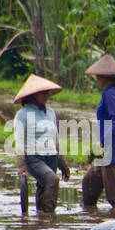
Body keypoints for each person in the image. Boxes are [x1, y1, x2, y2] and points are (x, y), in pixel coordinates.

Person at [82, 54, 115, 210]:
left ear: (107, 77)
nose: (96, 78)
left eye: (99, 75)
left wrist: (101, 141)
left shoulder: (111, 94)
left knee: (114, 194)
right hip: (113, 146)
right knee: (89, 181)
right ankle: (89, 215)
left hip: (112, 147)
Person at [12, 74, 69, 214]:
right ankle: (49, 216)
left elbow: (55, 139)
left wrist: (63, 163)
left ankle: (41, 220)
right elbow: (19, 141)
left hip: (51, 156)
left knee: (43, 187)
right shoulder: (22, 114)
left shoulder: (50, 112)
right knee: (52, 180)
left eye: (47, 92)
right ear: (33, 95)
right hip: (34, 158)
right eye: (43, 93)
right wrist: (22, 164)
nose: (47, 96)